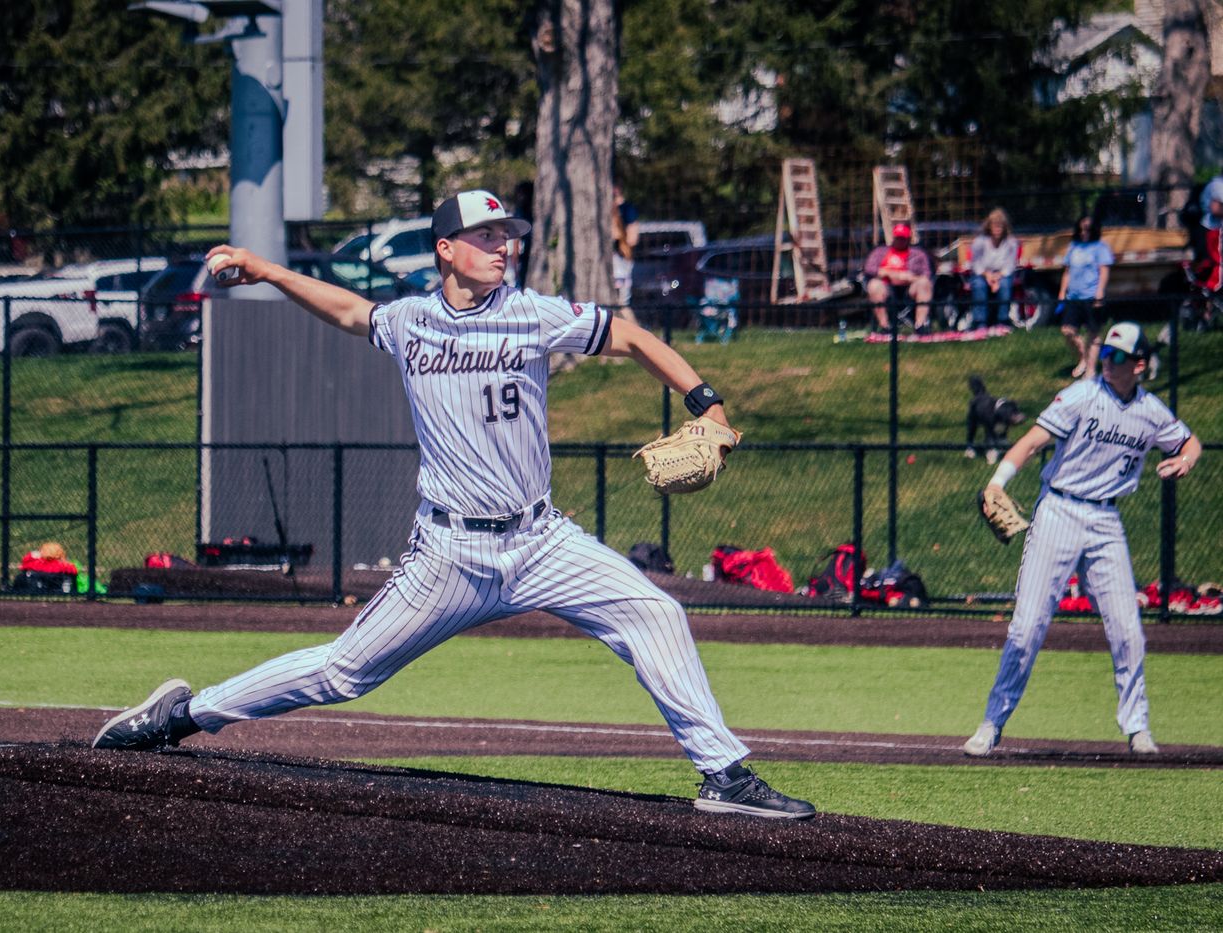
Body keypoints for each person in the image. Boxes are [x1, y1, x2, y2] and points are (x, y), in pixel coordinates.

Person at [93, 189, 816, 821]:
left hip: (540, 540)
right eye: (487, 236)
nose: (505, 246)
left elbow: (626, 335)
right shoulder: (412, 322)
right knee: (345, 670)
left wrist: (708, 402)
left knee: (655, 612)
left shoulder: (533, 314)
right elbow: (349, 309)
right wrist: (268, 268)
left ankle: (725, 774)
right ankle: (182, 716)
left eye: (508, 235)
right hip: (451, 552)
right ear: (446, 249)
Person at [963, 322, 1202, 759]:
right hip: (1059, 509)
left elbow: (1189, 442)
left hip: (1105, 519)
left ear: (1140, 364)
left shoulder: (1150, 410)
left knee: (1128, 629)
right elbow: (1032, 442)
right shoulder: (1081, 396)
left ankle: (1138, 727)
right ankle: (992, 724)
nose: (1108, 364)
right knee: (1028, 625)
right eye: (1106, 356)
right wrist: (997, 482)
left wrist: (1185, 460)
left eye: (1118, 358)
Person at [1057, 216, 1114, 379]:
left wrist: (1100, 293)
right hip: (1073, 296)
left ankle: (1090, 370)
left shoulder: (1100, 247)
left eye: (1087, 229)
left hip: (1091, 295)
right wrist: (1062, 292)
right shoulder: (1073, 247)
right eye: (1081, 229)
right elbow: (1067, 271)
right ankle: (1083, 357)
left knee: (1094, 333)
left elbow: (1104, 270)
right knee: (1067, 331)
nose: (1084, 233)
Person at [863, 222, 933, 336]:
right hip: (886, 288)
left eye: (903, 238)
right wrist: (894, 275)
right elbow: (869, 270)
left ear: (908, 238)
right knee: (874, 284)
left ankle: (920, 326)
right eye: (898, 237)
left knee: (924, 283)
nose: (900, 240)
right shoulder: (880, 252)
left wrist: (910, 278)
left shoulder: (918, 254)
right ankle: (884, 327)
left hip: (910, 289)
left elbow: (927, 274)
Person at [968, 208, 1019, 329]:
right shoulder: (980, 242)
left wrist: (998, 277)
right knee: (979, 286)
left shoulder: (1011, 242)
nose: (997, 229)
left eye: (1000, 226)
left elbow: (1011, 264)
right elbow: (975, 263)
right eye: (995, 226)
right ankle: (980, 322)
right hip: (982, 273)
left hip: (1002, 274)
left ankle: (1002, 322)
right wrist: (988, 275)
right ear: (989, 227)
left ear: (1004, 227)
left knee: (1005, 285)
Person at [611, 183, 641, 321]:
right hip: (618, 261)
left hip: (621, 261)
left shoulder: (626, 209)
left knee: (623, 304)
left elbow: (632, 239)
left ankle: (638, 336)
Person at [1196, 175, 1223, 292]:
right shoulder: (1217, 185)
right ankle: (1209, 291)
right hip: (1211, 230)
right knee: (1218, 262)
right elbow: (1215, 209)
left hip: (1217, 231)